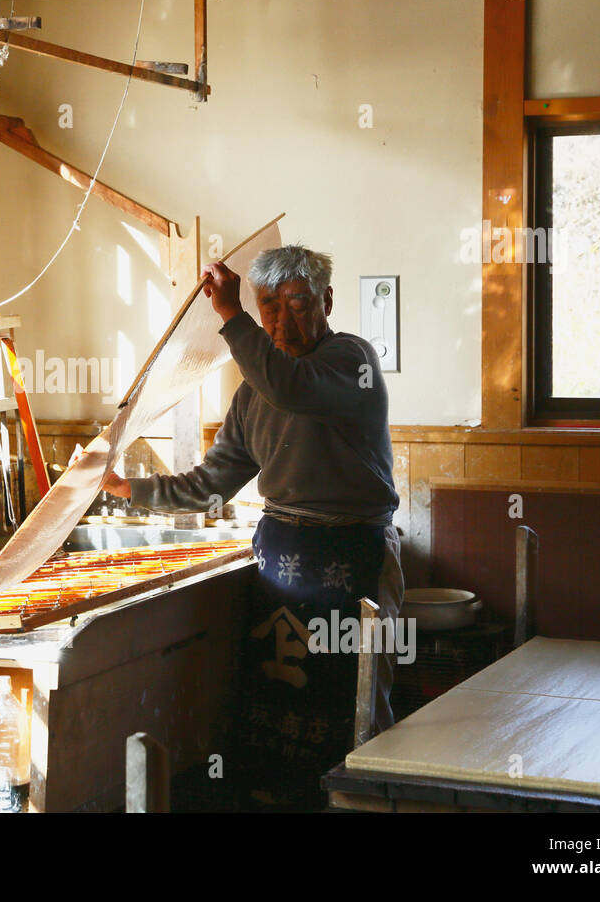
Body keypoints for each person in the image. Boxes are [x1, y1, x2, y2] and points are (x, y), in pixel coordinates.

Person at [103, 245, 404, 810]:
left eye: (297, 304)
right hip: (285, 562)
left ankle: (357, 805)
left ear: (327, 301)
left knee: (355, 704)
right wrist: (131, 490)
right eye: (269, 308)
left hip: (353, 556)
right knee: (274, 706)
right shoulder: (253, 394)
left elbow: (293, 386)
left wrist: (231, 315)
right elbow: (211, 485)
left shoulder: (351, 360)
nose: (281, 321)